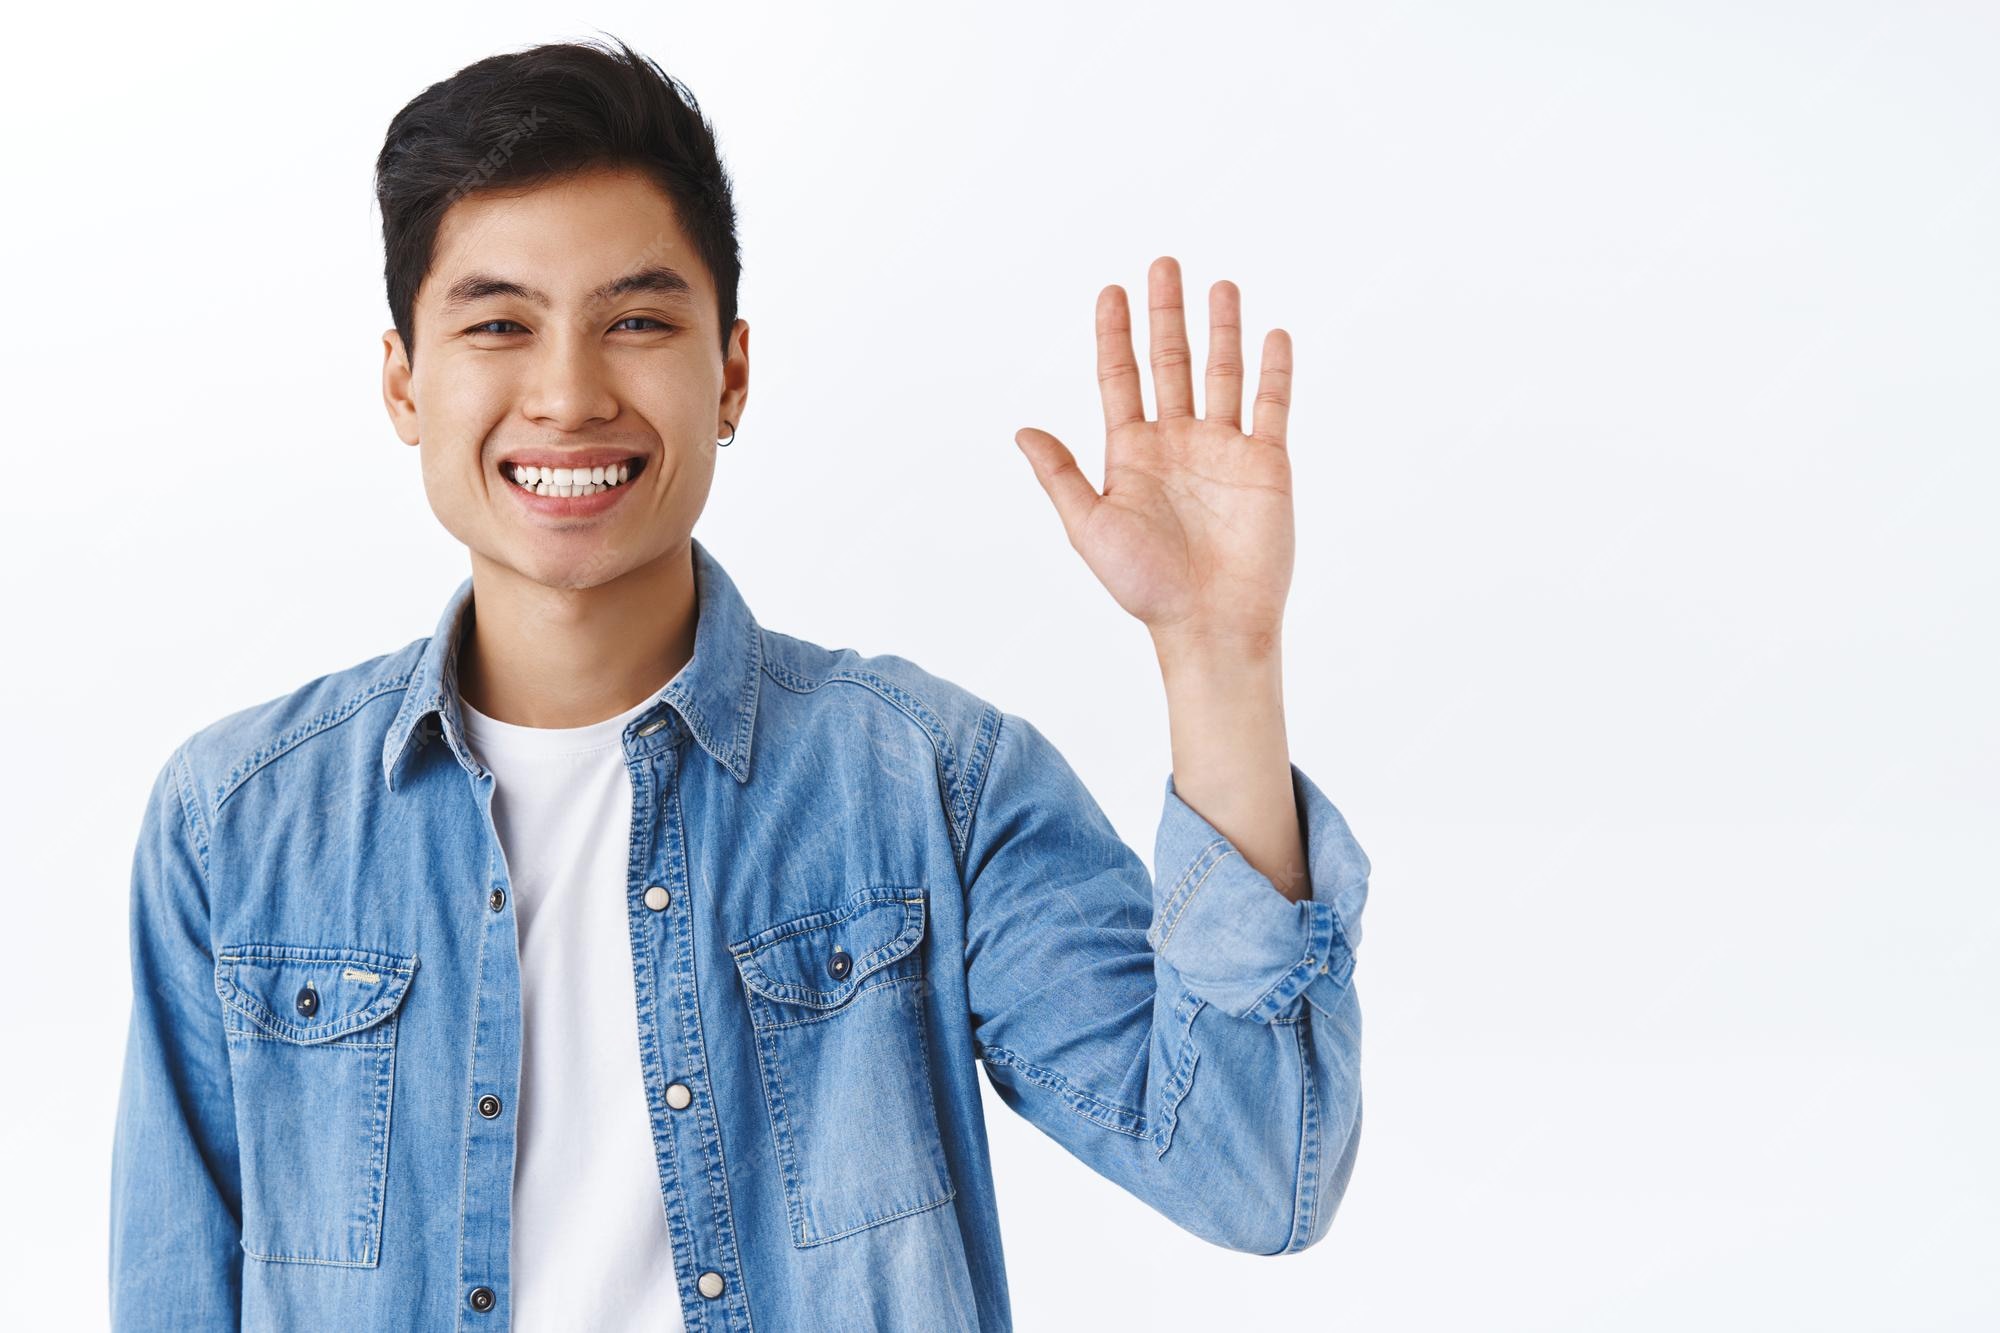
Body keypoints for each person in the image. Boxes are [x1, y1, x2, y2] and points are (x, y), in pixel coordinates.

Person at [107, 35, 1371, 1333]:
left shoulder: (928, 784)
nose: (567, 392)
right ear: (403, 381)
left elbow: (1253, 1171)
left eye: (637, 321)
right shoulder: (238, 824)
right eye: (498, 324)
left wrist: (1220, 657)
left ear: (732, 374)